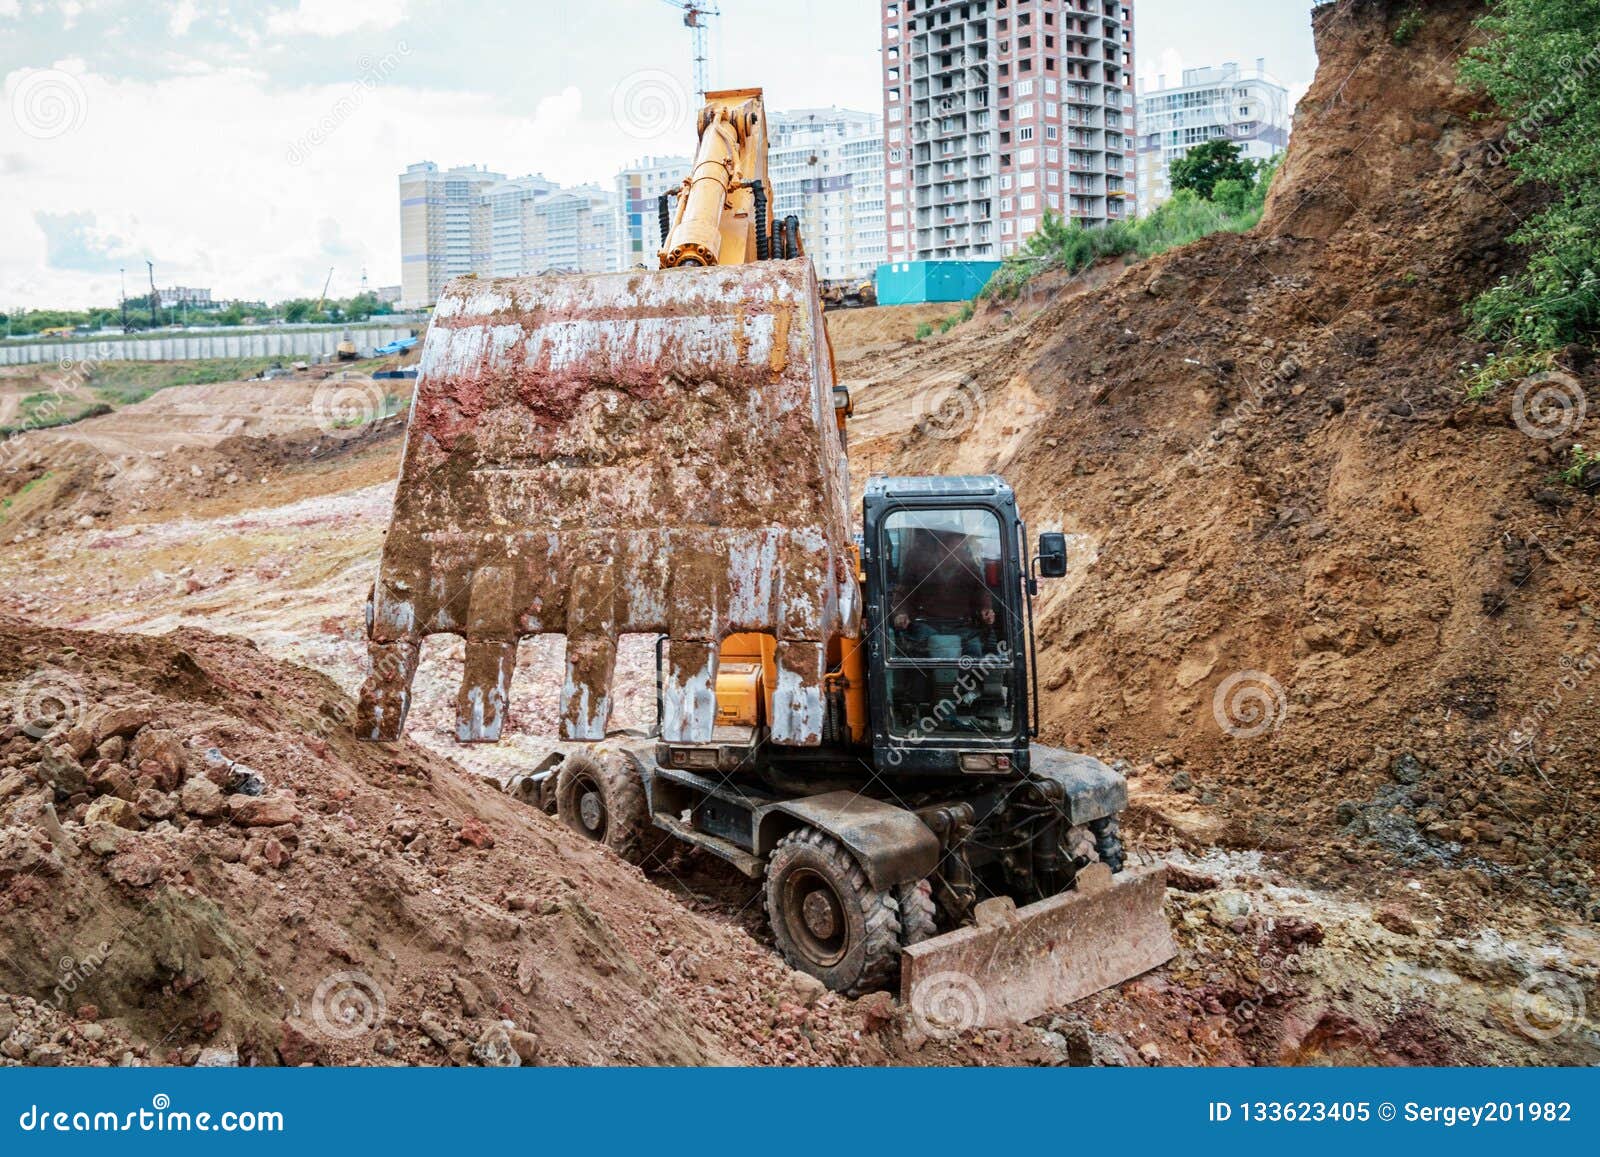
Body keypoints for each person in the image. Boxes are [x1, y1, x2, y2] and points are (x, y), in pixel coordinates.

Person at [888, 528, 998, 659]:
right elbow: (903, 591)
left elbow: (980, 590)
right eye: (951, 547)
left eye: (960, 547)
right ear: (940, 546)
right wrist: (901, 613)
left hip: (963, 627)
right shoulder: (918, 563)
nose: (957, 552)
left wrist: (986, 609)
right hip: (926, 625)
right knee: (914, 658)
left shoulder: (969, 564)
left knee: (975, 655)